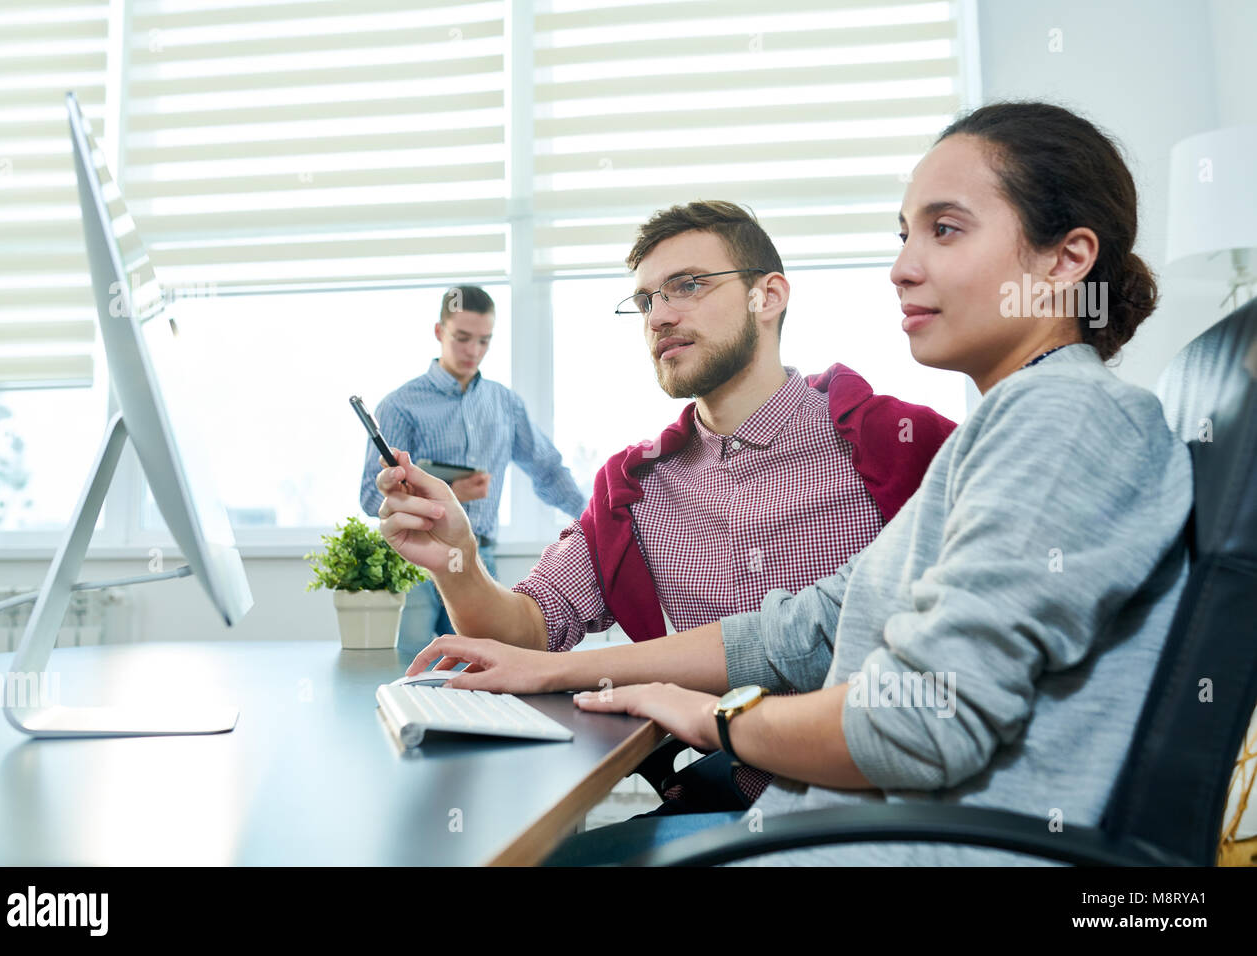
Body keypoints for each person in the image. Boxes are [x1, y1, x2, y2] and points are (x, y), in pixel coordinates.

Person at [398, 101, 1195, 866]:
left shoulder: (1037, 426)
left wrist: (718, 719)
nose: (900, 268)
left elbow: (922, 717)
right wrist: (480, 582)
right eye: (646, 299)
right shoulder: (1002, 433)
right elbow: (798, 630)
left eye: (945, 230)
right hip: (812, 815)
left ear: (1067, 260)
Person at [375, 201, 957, 810]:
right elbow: (526, 637)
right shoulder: (634, 484)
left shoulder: (902, 445)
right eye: (647, 300)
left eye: (687, 286)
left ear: (769, 295)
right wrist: (456, 559)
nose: (659, 316)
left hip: (874, 818)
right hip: (721, 805)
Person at [359, 285, 585, 638]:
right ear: (439, 332)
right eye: (462, 338)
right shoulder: (400, 405)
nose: (473, 351)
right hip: (414, 561)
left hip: (478, 559)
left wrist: (594, 518)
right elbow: (371, 499)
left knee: (481, 674)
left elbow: (548, 470)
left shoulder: (505, 403)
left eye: (484, 341)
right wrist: (452, 493)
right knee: (410, 670)